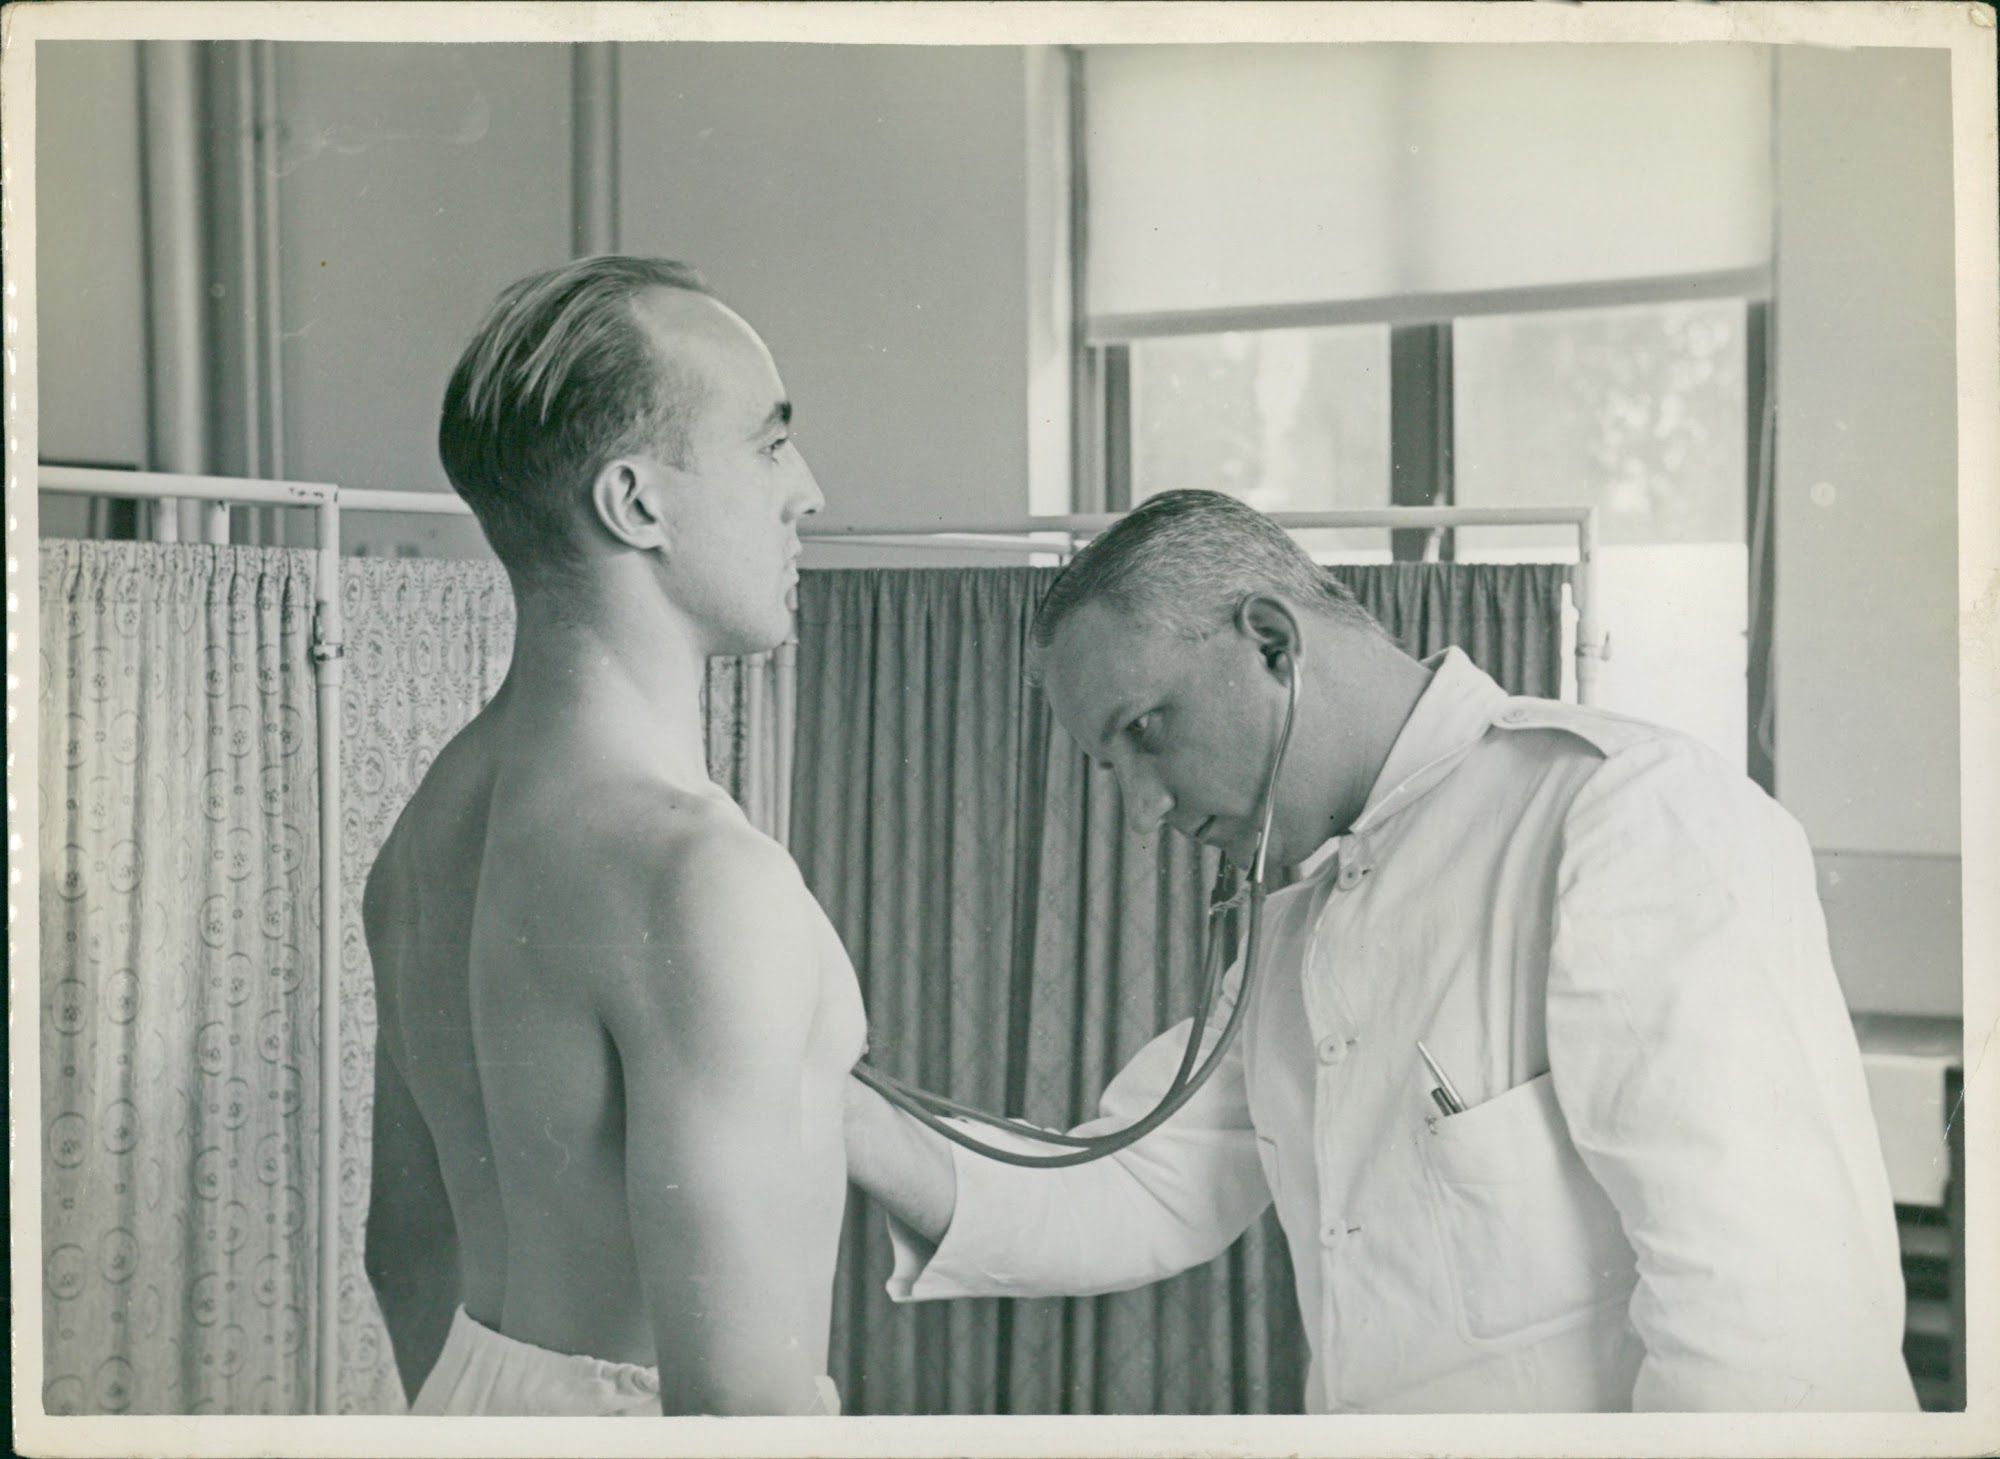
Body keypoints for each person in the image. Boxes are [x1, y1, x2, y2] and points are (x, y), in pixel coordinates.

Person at [844, 489, 1918, 1415]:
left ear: (1272, 641)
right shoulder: (1295, 919)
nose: (1138, 810)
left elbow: (1772, 1330)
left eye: (1144, 731)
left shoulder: (1617, 816)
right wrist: (829, 1108)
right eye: (1105, 765)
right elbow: (1131, 1187)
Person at [362, 256, 864, 1416]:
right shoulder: (698, 873)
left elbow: (404, 1248)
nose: (810, 491)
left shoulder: (428, 835)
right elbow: (739, 1403)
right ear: (634, 503)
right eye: (771, 442)